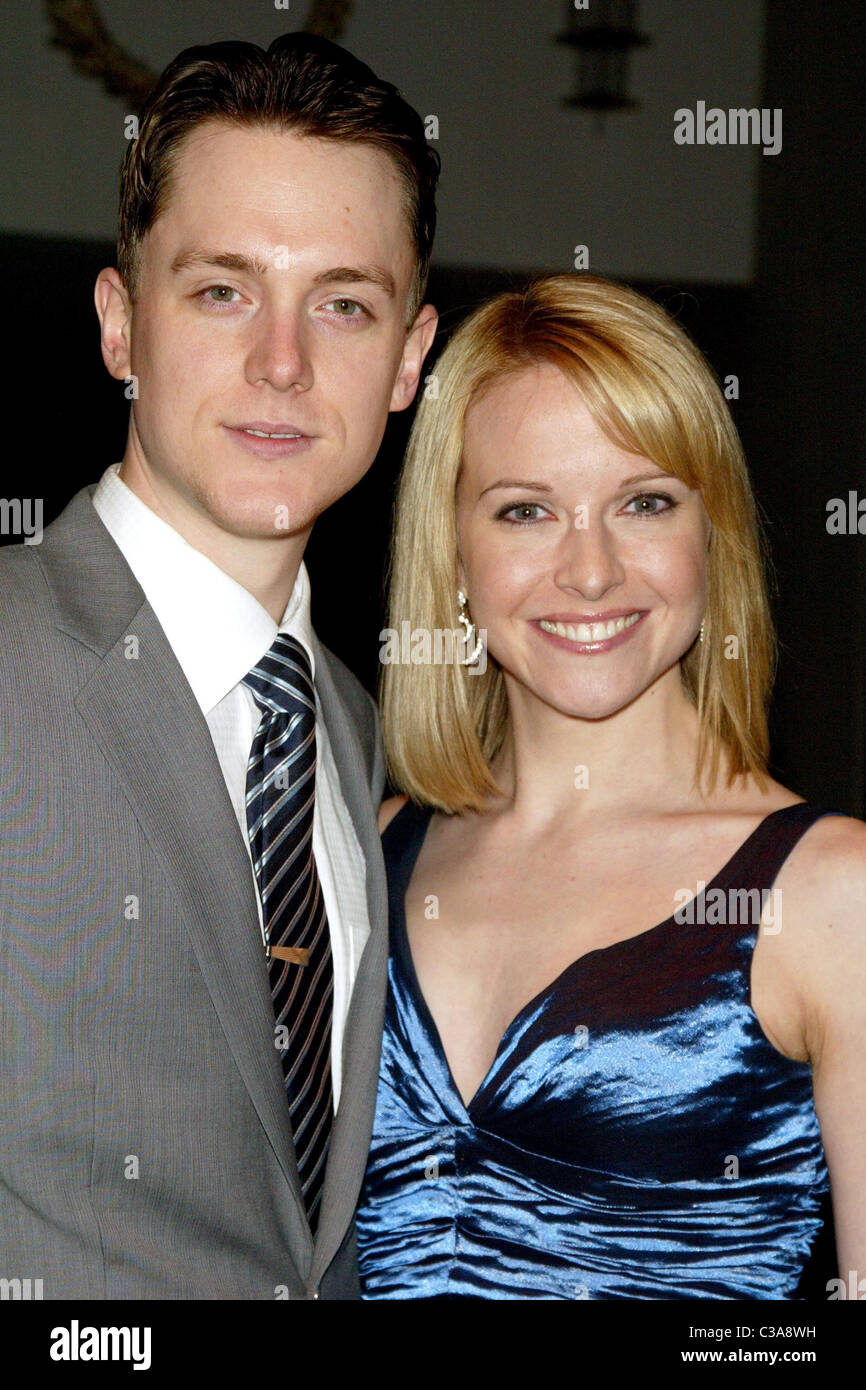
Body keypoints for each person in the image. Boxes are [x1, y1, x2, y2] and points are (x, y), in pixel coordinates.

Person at [0, 33, 438, 1299]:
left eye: (342, 303)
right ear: (119, 323)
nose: (283, 363)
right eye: (223, 290)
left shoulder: (357, 738)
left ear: (408, 360)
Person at [356, 274, 866, 1299]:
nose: (588, 571)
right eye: (525, 510)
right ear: (452, 554)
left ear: (709, 534)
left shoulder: (831, 892)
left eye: (642, 502)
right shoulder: (369, 850)